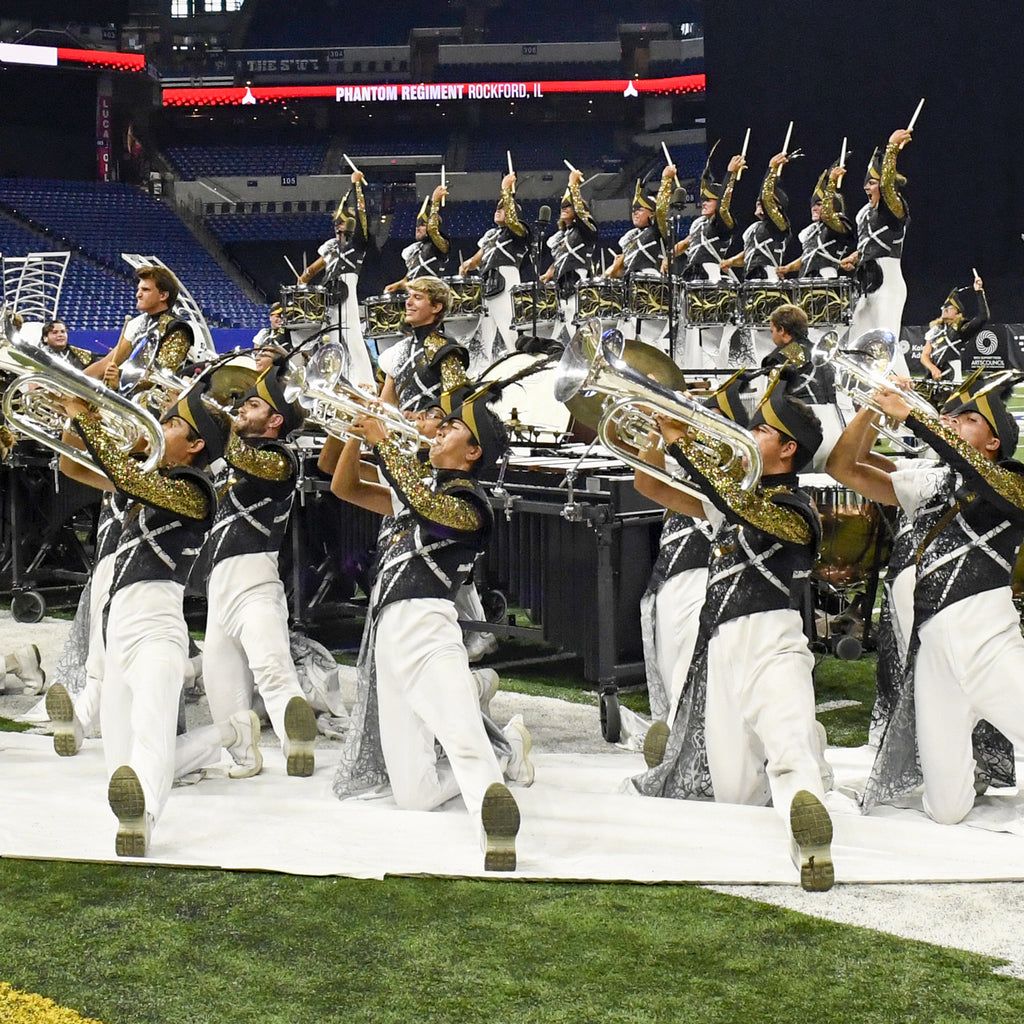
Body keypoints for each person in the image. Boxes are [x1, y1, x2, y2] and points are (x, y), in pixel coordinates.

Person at [632, 378, 835, 892]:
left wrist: (684, 441)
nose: (748, 434)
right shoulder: (733, 500)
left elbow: (749, 510)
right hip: (719, 652)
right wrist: (656, 436)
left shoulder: (798, 509)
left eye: (761, 430)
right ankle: (812, 755)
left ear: (789, 449)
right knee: (733, 795)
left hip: (774, 646)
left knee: (788, 752)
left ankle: (810, 836)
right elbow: (651, 487)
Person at [329, 384, 523, 871]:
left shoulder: (471, 503)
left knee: (463, 740)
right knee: (414, 796)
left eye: (453, 427)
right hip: (387, 634)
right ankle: (508, 749)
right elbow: (344, 488)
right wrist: (356, 433)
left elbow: (425, 506)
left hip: (429, 628)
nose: (439, 429)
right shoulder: (419, 492)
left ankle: (495, 830)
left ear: (473, 452)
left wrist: (384, 439)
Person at [826, 375, 1024, 825]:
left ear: (993, 441)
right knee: (946, 811)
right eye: (952, 417)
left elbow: (982, 476)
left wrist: (913, 416)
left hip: (988, 646)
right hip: (932, 657)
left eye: (968, 420)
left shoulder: (1012, 484)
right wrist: (873, 407)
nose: (952, 422)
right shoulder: (934, 481)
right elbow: (845, 467)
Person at [60, 378, 229, 856]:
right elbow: (70, 463)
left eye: (171, 423)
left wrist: (88, 416)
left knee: (151, 735)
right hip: (117, 628)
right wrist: (75, 416)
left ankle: (144, 818)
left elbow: (132, 481)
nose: (159, 425)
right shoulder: (143, 474)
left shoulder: (197, 489)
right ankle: (220, 737)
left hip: (158, 628)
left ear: (196, 445)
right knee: (121, 761)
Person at [199, 360, 319, 777]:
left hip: (255, 583)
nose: (239, 410)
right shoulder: (238, 460)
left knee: (273, 670)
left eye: (250, 405)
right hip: (219, 587)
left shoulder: (282, 458)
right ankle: (245, 757)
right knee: (221, 693)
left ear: (275, 421)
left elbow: (238, 455)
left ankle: (296, 742)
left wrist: (220, 420)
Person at [840, 129, 913, 375]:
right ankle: (858, 403)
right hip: (867, 284)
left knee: (887, 343)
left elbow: (888, 186)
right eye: (865, 183)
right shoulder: (864, 213)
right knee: (856, 345)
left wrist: (891, 148)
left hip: (889, 282)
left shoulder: (894, 208)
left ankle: (909, 406)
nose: (865, 187)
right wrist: (855, 257)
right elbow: (869, 246)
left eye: (871, 182)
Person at [296, 171, 375, 385]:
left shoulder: (357, 243)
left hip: (347, 288)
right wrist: (302, 280)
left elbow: (362, 216)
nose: (337, 227)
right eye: (335, 224)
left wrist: (357, 188)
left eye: (341, 223)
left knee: (351, 336)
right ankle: (330, 379)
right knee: (329, 337)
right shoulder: (331, 247)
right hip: (330, 292)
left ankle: (364, 381)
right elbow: (312, 270)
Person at [667, 145, 742, 367]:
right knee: (690, 330)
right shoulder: (698, 223)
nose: (703, 203)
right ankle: (694, 367)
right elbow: (687, 243)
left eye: (709, 200)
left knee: (712, 332)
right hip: (692, 278)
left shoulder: (724, 222)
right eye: (703, 200)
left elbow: (724, 207)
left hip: (713, 278)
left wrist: (730, 176)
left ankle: (715, 368)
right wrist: (670, 254)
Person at [761, 303, 842, 472]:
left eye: (772, 331)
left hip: (806, 427)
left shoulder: (782, 356)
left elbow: (774, 401)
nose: (772, 336)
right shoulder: (821, 351)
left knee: (803, 489)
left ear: (782, 330)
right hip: (836, 425)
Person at [459, 172, 529, 362]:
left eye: (503, 208)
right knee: (485, 330)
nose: (498, 210)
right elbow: (478, 258)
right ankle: (483, 367)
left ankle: (518, 361)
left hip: (506, 278)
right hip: (488, 281)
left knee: (508, 325)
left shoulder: (519, 231)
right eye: (497, 208)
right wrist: (468, 264)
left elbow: (513, 221)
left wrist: (506, 191)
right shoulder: (491, 235)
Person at [89, 265, 194, 388]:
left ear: (163, 295)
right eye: (139, 289)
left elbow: (160, 380)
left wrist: (120, 384)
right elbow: (106, 363)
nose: (138, 294)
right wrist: (74, 382)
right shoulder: (137, 322)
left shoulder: (177, 329)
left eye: (145, 290)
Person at [377, 276, 470, 413]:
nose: (408, 302)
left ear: (436, 307)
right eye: (409, 296)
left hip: (433, 432)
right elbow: (387, 407)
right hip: (402, 432)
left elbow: (456, 407)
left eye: (417, 297)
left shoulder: (446, 349)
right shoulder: (397, 350)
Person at [605, 170, 673, 348]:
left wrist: (666, 180)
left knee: (649, 339)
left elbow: (663, 210)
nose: (635, 213)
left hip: (649, 287)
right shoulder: (629, 238)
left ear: (652, 213)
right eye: (633, 210)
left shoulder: (657, 230)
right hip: (629, 289)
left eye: (640, 210)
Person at [541, 168, 598, 337]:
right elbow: (562, 257)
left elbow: (580, 214)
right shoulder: (563, 235)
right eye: (563, 205)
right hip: (562, 285)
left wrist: (573, 185)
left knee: (579, 327)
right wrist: (550, 272)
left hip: (578, 281)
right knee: (561, 330)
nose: (564, 207)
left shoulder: (586, 230)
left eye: (569, 205)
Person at [777, 164, 854, 283]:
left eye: (819, 204)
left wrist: (831, 183)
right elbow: (809, 256)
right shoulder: (811, 231)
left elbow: (828, 216)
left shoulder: (837, 225)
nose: (814, 208)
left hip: (826, 281)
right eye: (813, 205)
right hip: (805, 281)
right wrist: (788, 268)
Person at [920, 275, 988, 383]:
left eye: (950, 308)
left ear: (958, 315)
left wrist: (979, 292)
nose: (945, 310)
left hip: (951, 376)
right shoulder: (935, 330)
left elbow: (983, 317)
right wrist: (933, 368)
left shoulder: (960, 329)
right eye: (944, 307)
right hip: (931, 375)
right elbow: (924, 355)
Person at [384, 185, 450, 293]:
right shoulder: (416, 249)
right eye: (417, 225)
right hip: (413, 296)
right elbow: (412, 275)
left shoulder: (440, 246)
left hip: (431, 296)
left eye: (423, 225)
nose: (417, 228)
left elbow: (433, 230)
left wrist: (435, 203)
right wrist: (398, 284)